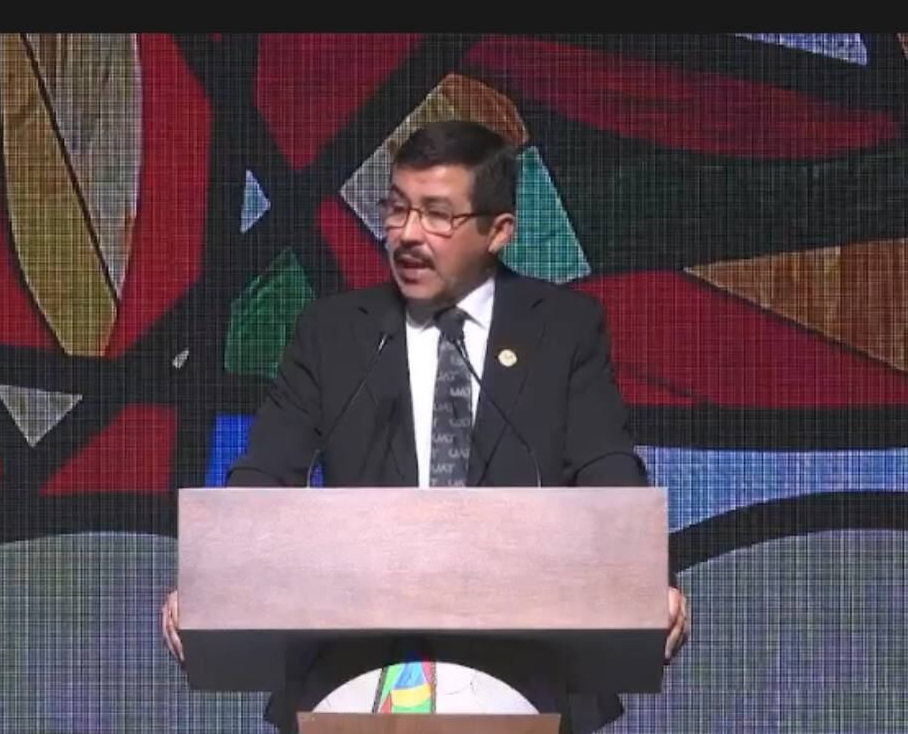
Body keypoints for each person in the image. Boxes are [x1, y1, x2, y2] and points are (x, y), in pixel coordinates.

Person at [162, 119, 689, 732]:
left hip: (521, 666)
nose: (408, 235)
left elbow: (605, 464)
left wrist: (645, 579)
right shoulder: (334, 333)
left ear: (499, 231)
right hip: (357, 668)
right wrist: (213, 576)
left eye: (438, 215)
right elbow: (267, 470)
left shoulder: (563, 327)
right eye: (397, 209)